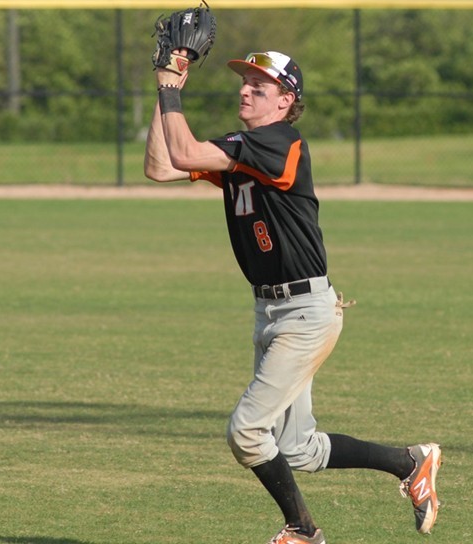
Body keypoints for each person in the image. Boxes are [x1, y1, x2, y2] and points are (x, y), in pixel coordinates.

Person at [143, 49, 442, 544]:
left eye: (258, 86)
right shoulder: (243, 147)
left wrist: (174, 89)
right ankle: (410, 462)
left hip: (305, 313)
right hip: (272, 310)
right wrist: (165, 85)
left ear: (285, 101)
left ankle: (302, 530)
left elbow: (187, 154)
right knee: (299, 448)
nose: (244, 89)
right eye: (244, 82)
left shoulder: (280, 142)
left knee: (245, 432)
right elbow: (161, 165)